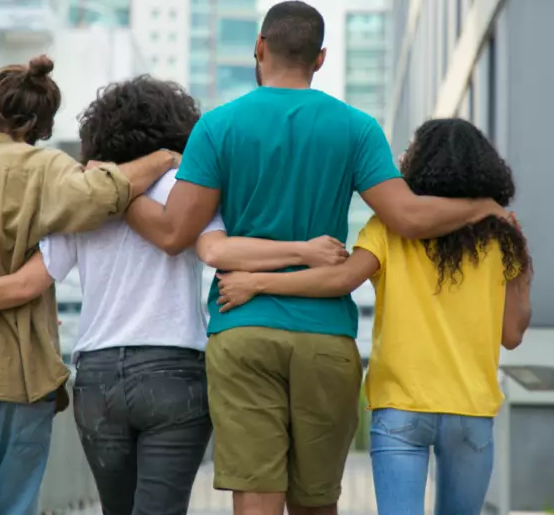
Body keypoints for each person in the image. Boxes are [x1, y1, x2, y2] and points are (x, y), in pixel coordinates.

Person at [124, 1, 507, 515]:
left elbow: (174, 233)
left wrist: (116, 195)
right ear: (320, 58)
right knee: (315, 502)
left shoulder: (217, 127)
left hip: (243, 328)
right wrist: (483, 205)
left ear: (259, 47)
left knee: (257, 498)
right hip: (326, 339)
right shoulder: (356, 127)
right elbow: (410, 218)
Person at [0, 75, 351, 515]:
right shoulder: (188, 188)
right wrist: (302, 253)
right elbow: (218, 249)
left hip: (98, 377)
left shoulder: (85, 197)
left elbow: (30, 283)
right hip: (175, 370)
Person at [215, 118, 534, 515]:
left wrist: (259, 284)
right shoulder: (501, 236)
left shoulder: (390, 228)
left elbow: (341, 279)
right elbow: (513, 333)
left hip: (401, 406)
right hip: (471, 410)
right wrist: (522, 267)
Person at [0, 57, 180, 515]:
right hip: (22, 378)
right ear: (41, 124)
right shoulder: (45, 170)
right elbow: (104, 192)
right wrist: (165, 157)